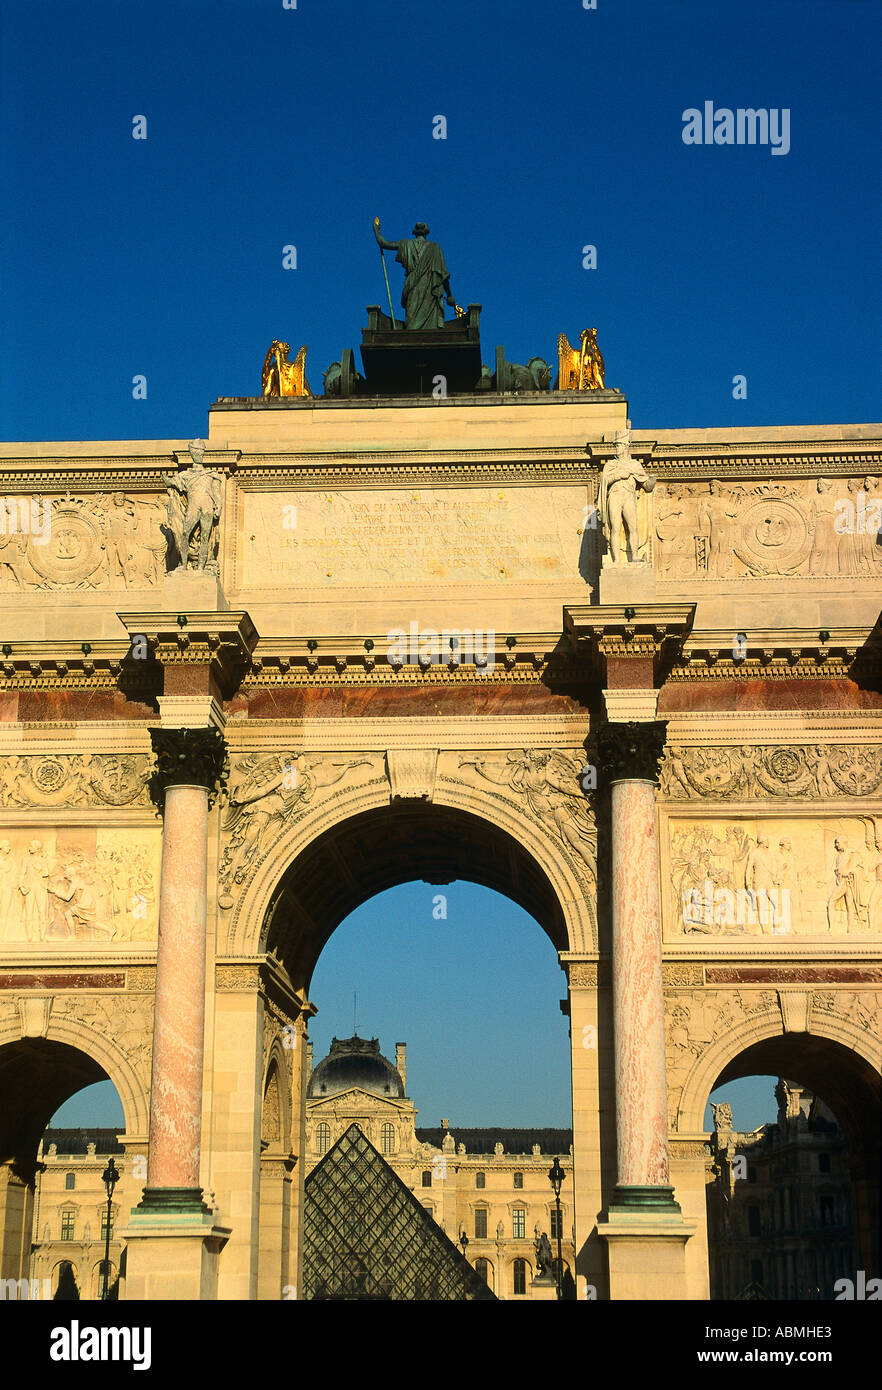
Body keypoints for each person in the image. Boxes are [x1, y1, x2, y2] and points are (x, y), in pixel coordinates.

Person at [373, 219, 456, 329]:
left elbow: (384, 243)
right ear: (426, 232)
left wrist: (376, 230)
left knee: (411, 322)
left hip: (412, 285)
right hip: (430, 288)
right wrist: (449, 295)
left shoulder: (406, 244)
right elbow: (442, 275)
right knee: (428, 326)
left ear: (415, 232)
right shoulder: (435, 247)